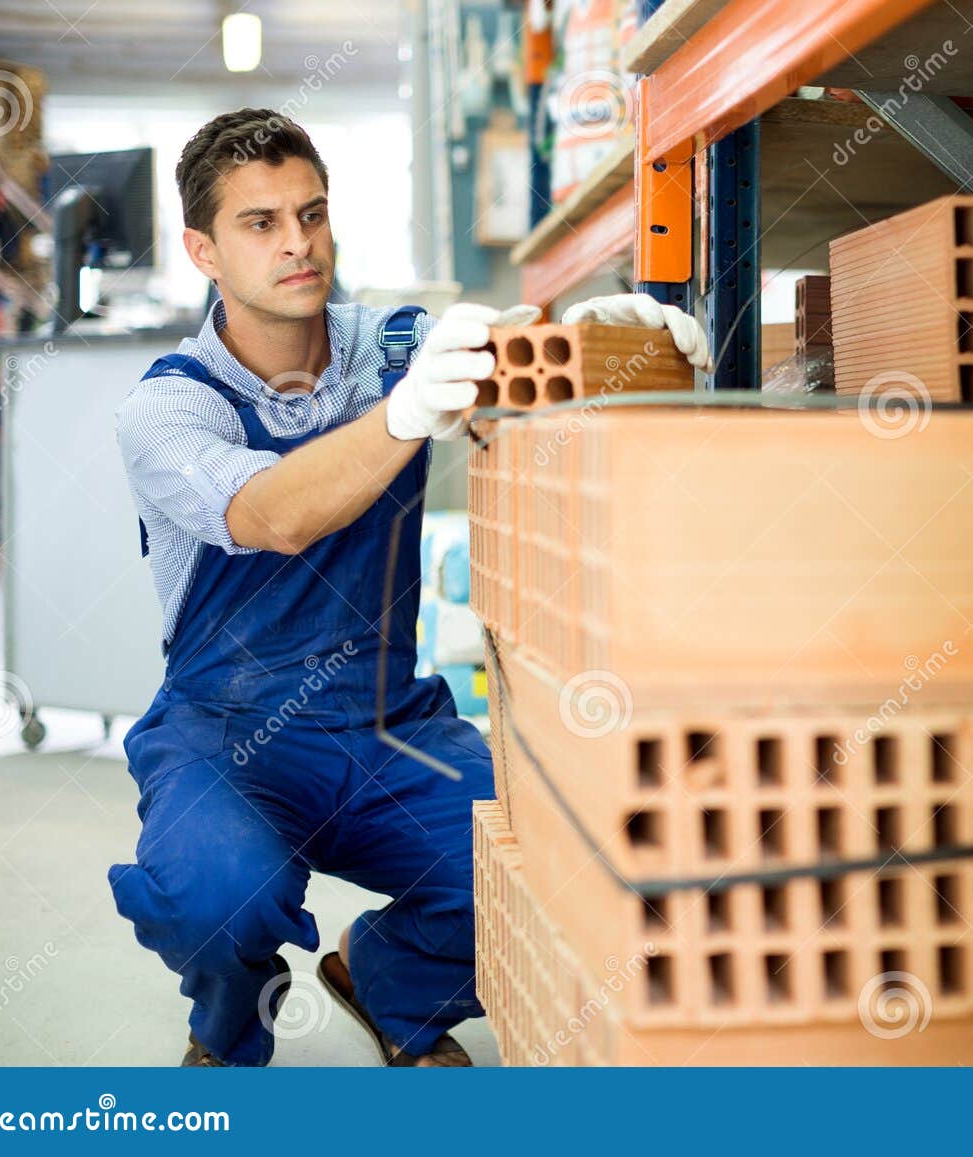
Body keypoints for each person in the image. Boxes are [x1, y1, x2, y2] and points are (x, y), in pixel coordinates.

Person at [108, 107, 708, 1066]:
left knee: (554, 861)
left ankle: (386, 976)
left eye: (312, 212)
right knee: (218, 893)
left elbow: (524, 372)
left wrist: (606, 355)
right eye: (260, 223)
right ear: (203, 250)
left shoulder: (394, 346)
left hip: (387, 723)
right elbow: (270, 514)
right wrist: (405, 412)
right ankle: (227, 1030)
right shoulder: (170, 406)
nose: (298, 243)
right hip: (228, 736)